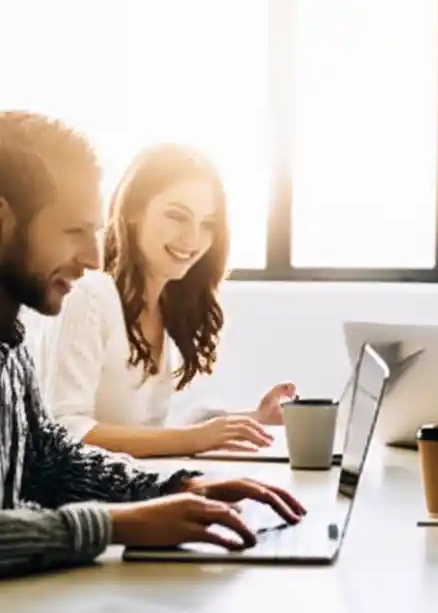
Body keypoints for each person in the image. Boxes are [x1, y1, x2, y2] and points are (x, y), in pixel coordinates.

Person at [0, 111, 304, 578]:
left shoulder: (11, 340)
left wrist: (176, 486)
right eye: (71, 231)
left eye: (94, 232)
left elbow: (49, 458)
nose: (94, 258)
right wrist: (115, 523)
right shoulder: (89, 299)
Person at [38, 144, 296, 457]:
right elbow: (66, 429)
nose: (193, 238)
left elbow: (156, 429)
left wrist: (254, 420)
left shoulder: (165, 306)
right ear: (133, 211)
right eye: (177, 216)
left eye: (207, 224)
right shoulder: (91, 295)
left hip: (139, 485)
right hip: (88, 497)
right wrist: (195, 440)